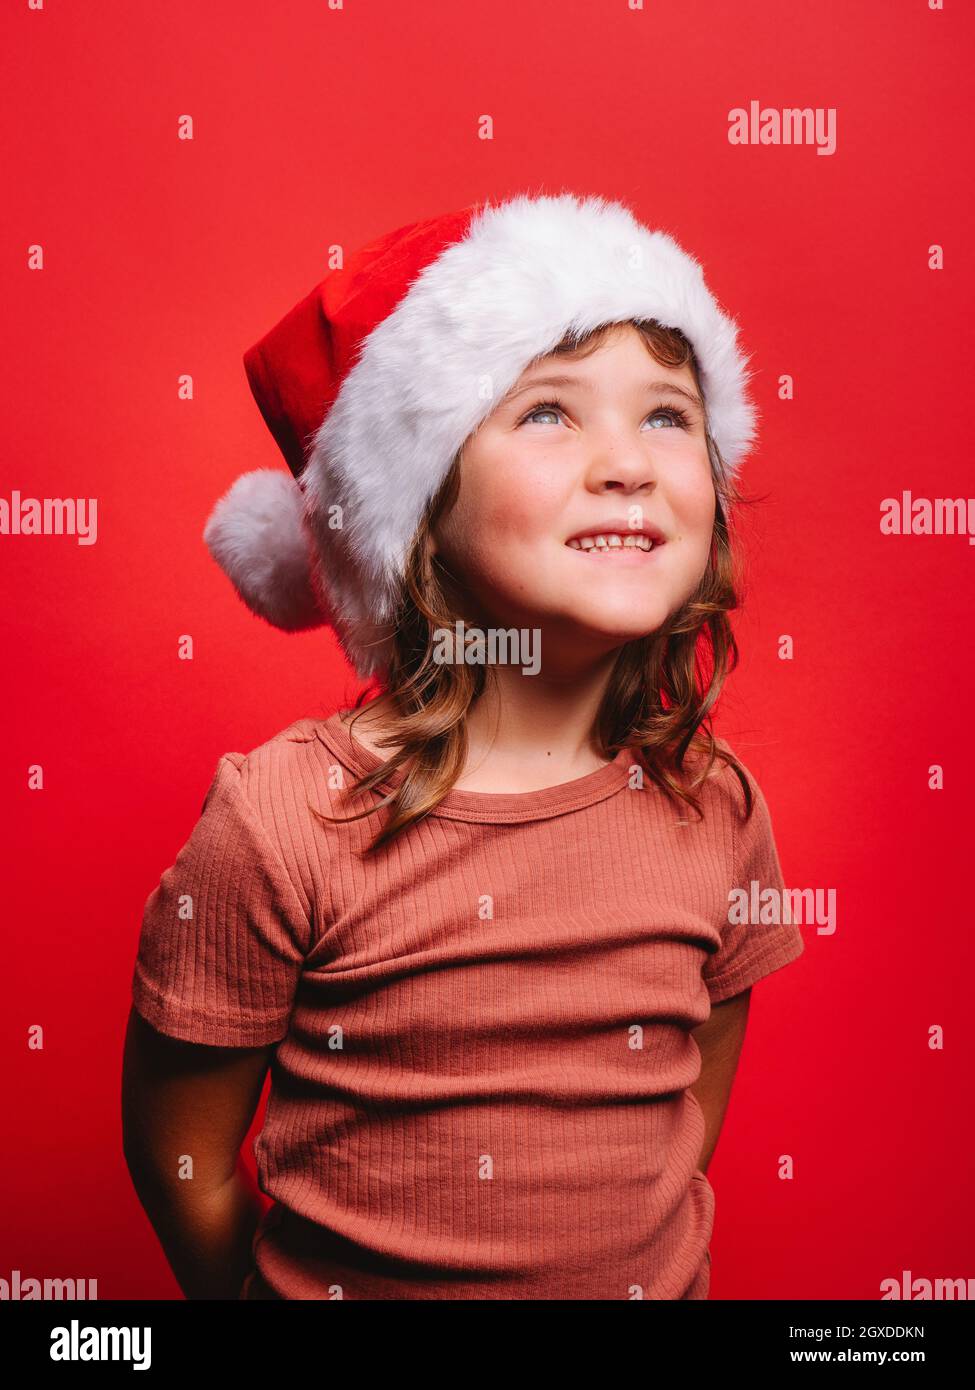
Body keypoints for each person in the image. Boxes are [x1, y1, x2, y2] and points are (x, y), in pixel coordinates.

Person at [121, 190, 804, 1300]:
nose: (627, 462)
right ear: (419, 511)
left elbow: (681, 1123)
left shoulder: (713, 804)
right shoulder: (286, 818)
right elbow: (180, 1152)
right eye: (548, 412)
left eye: (669, 416)